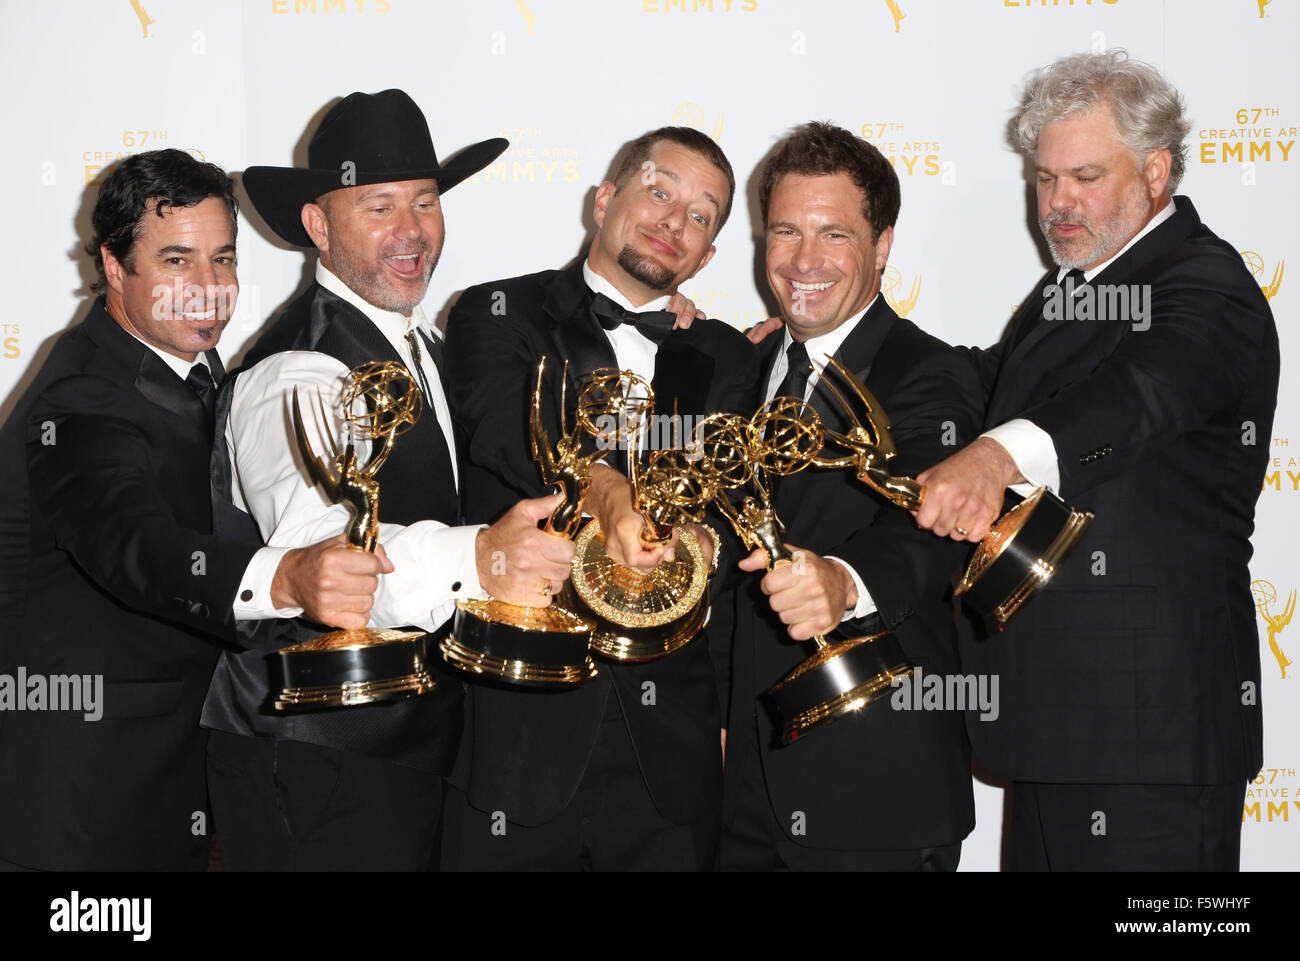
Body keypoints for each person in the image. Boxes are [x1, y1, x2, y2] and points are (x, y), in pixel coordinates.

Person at [915, 50, 1279, 871]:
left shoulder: (1207, 284)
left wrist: (993, 457)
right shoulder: (1070, 289)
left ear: (1156, 170)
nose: (1057, 204)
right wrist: (848, 342)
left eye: (1084, 176)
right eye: (1045, 179)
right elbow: (988, 381)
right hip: (1055, 728)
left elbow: (1136, 393)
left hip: (1151, 740)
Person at [201, 89, 577, 870]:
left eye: (426, 201)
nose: (412, 231)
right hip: (314, 763)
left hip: (412, 749)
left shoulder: (425, 346)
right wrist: (482, 560)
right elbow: (319, 549)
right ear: (317, 224)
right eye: (378, 206)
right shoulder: (292, 370)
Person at [0, 149, 385, 871]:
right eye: (177, 261)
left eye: (223, 259)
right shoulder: (83, 391)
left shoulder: (196, 370)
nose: (207, 289)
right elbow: (134, 544)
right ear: (114, 266)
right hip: (88, 801)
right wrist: (289, 577)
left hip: (182, 778)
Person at [441, 126, 759, 870]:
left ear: (707, 256)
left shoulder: (726, 359)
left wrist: (710, 545)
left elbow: (726, 507)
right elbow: (509, 431)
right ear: (604, 199)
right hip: (516, 733)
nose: (674, 219)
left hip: (669, 755)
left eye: (700, 214)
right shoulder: (496, 314)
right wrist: (606, 486)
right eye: (659, 190)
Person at [717, 122, 980, 871]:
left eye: (835, 234)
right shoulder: (744, 367)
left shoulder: (929, 372)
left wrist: (844, 579)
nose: (804, 260)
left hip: (875, 797)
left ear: (884, 245)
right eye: (785, 231)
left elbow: (933, 523)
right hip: (742, 797)